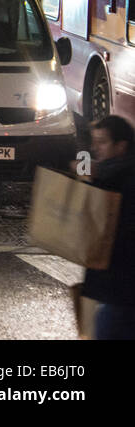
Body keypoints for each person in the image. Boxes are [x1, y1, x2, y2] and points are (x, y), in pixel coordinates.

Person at [82, 115, 135, 338]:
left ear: (121, 146)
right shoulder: (110, 175)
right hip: (117, 291)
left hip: (121, 289)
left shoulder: (119, 180)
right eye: (94, 142)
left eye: (102, 142)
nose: (95, 148)